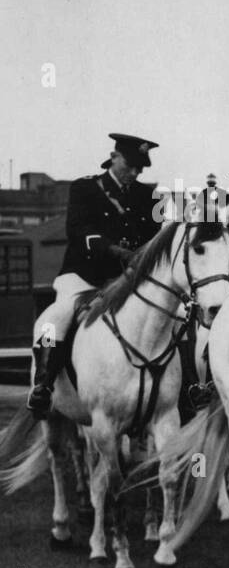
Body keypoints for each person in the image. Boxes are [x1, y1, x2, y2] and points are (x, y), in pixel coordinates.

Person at [27, 134, 161, 418]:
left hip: (126, 280)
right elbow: (77, 230)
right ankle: (44, 384)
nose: (135, 173)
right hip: (83, 276)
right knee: (55, 319)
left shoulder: (148, 196)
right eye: (131, 166)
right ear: (114, 158)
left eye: (140, 169)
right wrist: (113, 250)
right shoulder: (85, 188)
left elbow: (155, 238)